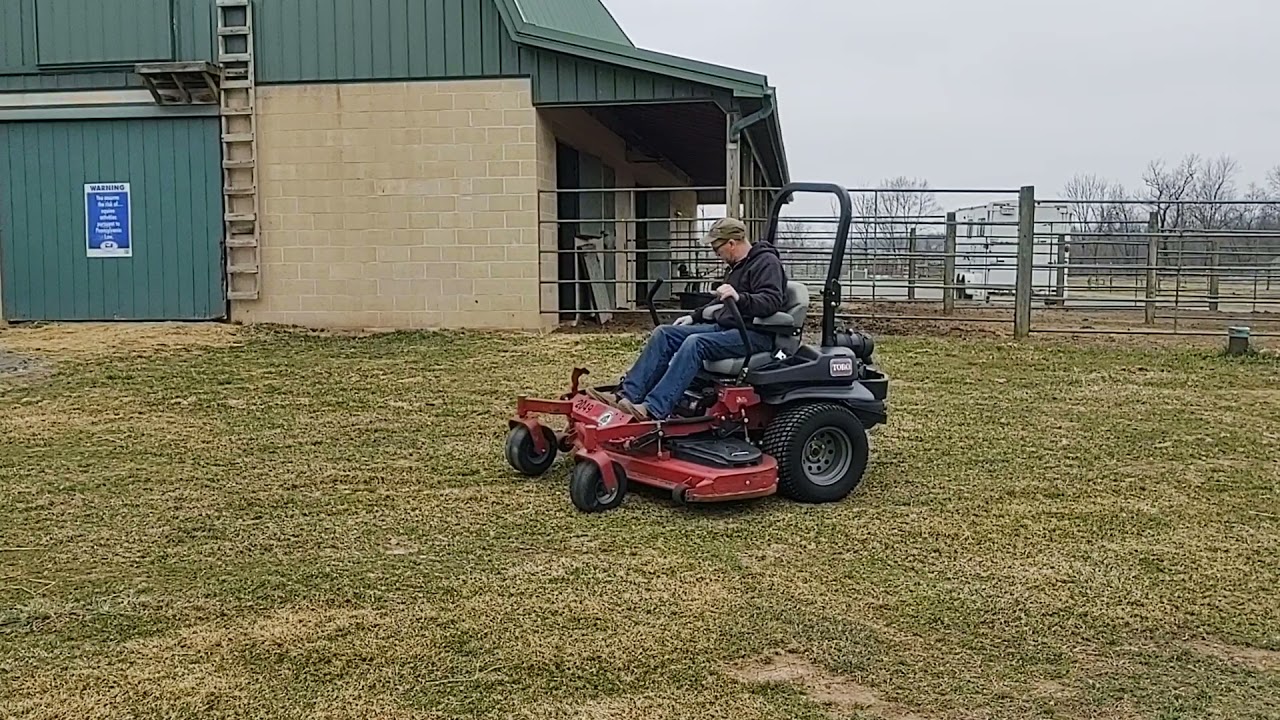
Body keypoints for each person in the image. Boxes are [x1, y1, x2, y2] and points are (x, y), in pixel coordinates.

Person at [591, 217, 787, 420]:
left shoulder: (766, 263)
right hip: (727, 328)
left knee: (696, 343)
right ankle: (627, 396)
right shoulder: (737, 267)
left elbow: (772, 301)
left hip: (753, 335)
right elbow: (721, 302)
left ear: (731, 243)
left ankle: (653, 408)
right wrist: (694, 316)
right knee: (664, 333)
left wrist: (740, 297)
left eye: (716, 248)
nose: (716, 254)